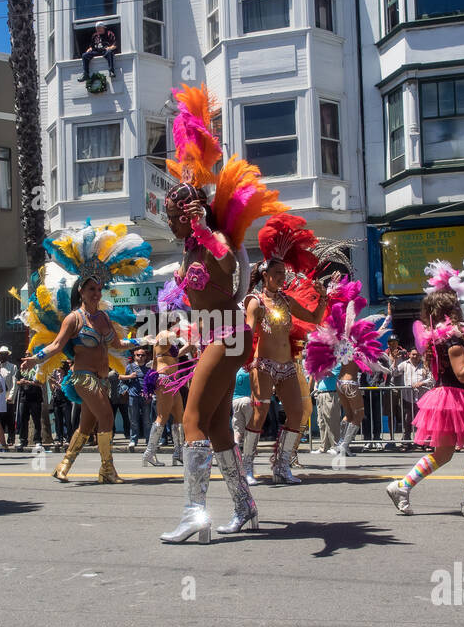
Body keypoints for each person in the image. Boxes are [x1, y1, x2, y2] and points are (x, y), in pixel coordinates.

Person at [158, 84, 286, 541]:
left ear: (188, 214)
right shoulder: (191, 248)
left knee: (190, 418)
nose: (167, 220)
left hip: (227, 334)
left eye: (171, 214)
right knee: (213, 425)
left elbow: (231, 268)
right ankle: (245, 506)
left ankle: (195, 512)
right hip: (212, 333)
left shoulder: (212, 244)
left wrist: (203, 229)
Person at [23, 223, 151, 483]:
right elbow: (57, 346)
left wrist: (140, 341)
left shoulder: (103, 317)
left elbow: (116, 344)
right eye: (91, 289)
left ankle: (63, 466)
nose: (96, 293)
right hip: (83, 377)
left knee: (87, 425)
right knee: (106, 417)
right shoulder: (74, 319)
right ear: (81, 290)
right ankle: (106, 470)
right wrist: (35, 359)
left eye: (99, 289)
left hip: (103, 379)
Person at [384, 265, 464, 519]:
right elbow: (463, 373)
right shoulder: (454, 341)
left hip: (445, 398)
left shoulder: (438, 339)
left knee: (443, 454)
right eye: (457, 305)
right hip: (456, 399)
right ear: (451, 310)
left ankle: (401, 486)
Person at [241, 215, 327, 486]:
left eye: (284, 274)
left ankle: (281, 465)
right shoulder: (255, 302)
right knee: (260, 414)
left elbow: (314, 318)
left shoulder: (287, 301)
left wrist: (323, 298)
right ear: (265, 275)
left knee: (297, 413)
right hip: (263, 364)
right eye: (277, 274)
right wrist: (245, 362)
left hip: (287, 365)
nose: (282, 277)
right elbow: (247, 333)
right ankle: (246, 467)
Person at [303, 278, 389, 461]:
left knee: (349, 414)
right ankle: (342, 445)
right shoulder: (355, 345)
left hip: (340, 383)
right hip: (350, 383)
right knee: (359, 414)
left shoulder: (339, 345)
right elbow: (378, 332)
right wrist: (388, 318)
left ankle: (341, 444)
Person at [141, 336, 189, 466]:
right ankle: (149, 453)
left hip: (172, 381)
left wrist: (189, 343)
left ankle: (178, 453)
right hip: (164, 379)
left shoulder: (169, 342)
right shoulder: (163, 335)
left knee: (180, 416)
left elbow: (159, 362)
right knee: (162, 416)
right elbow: (166, 340)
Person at [397, 346, 432, 451]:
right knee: (407, 420)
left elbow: (431, 379)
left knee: (424, 422)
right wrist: (395, 360)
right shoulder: (404, 364)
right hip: (408, 397)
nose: (415, 356)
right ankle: (406, 442)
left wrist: (421, 383)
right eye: (413, 354)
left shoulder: (425, 366)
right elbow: (394, 372)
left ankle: (424, 443)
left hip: (422, 398)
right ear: (409, 354)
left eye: (417, 354)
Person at [0, 347, 19, 447]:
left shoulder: (13, 367)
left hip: (8, 397)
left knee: (10, 419)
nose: (3, 356)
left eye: (5, 354)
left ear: (8, 355)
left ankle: (11, 439)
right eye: (1, 354)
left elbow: (14, 383)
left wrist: (11, 396)